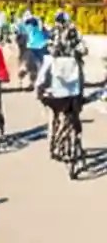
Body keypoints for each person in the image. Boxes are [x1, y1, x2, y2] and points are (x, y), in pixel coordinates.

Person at [36, 16, 86, 159]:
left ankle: (55, 143)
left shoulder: (61, 32)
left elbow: (82, 47)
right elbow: (82, 47)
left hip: (64, 75)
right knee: (66, 111)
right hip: (64, 75)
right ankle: (58, 143)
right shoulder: (66, 32)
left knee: (58, 113)